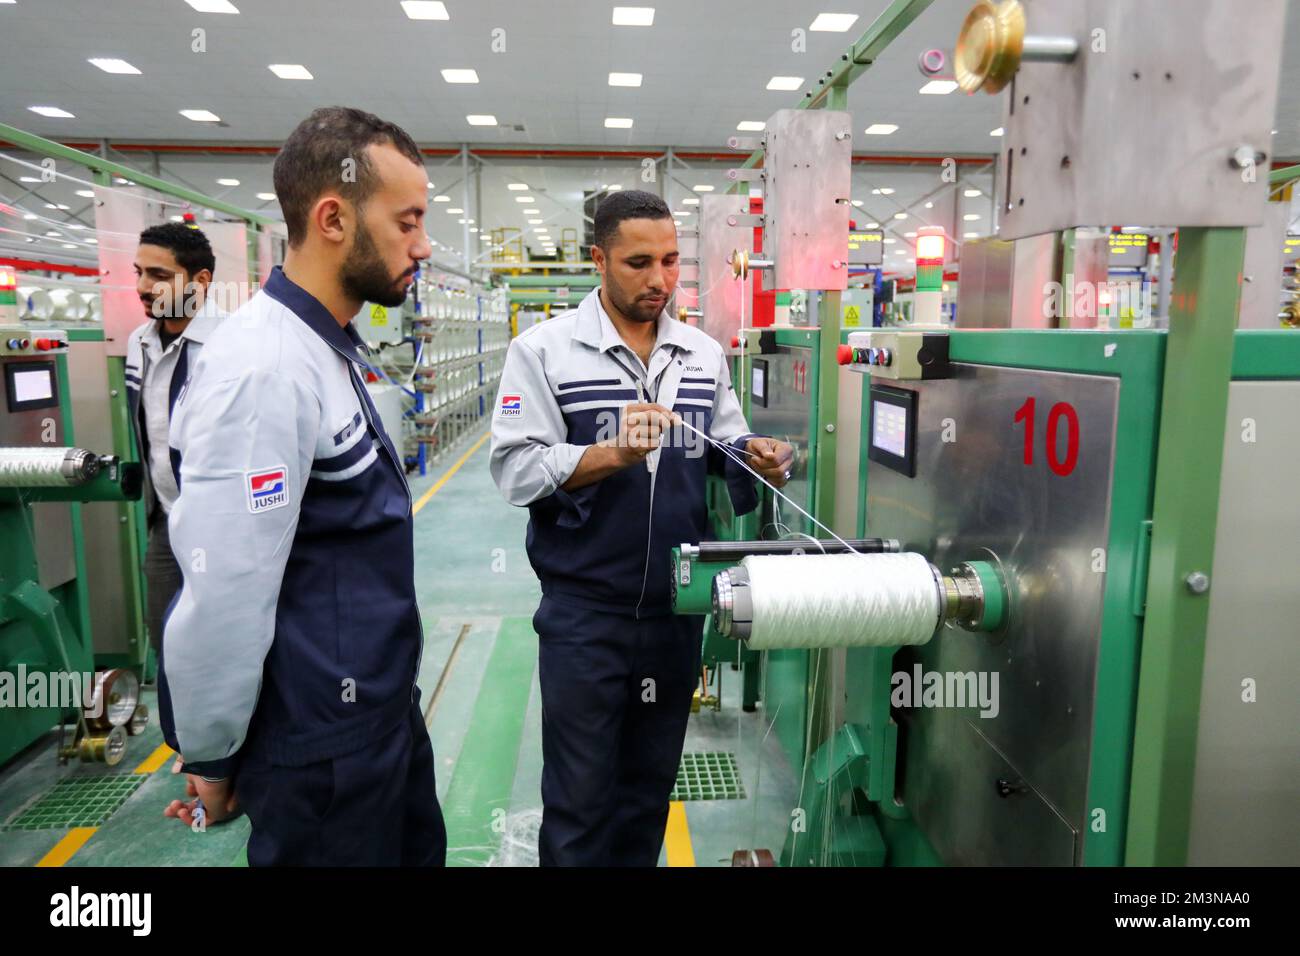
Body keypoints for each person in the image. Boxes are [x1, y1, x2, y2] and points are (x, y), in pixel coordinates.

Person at [160, 106, 446, 866]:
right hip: (322, 753)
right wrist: (213, 755)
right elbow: (224, 589)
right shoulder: (263, 367)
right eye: (407, 221)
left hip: (372, 723)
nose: (424, 244)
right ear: (332, 217)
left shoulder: (326, 348)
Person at [490, 189, 793, 866]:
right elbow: (516, 469)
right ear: (598, 259)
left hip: (675, 614)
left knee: (647, 793)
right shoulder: (544, 353)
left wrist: (761, 458)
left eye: (670, 261)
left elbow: (728, 447)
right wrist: (615, 453)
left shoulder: (700, 355)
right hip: (583, 618)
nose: (659, 279)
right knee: (579, 800)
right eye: (638, 262)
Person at [125, 223, 225, 672]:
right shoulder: (138, 342)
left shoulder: (231, 344)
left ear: (200, 280)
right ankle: (185, 736)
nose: (144, 287)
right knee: (165, 634)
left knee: (227, 637)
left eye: (159, 275)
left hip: (223, 526)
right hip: (166, 519)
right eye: (139, 272)